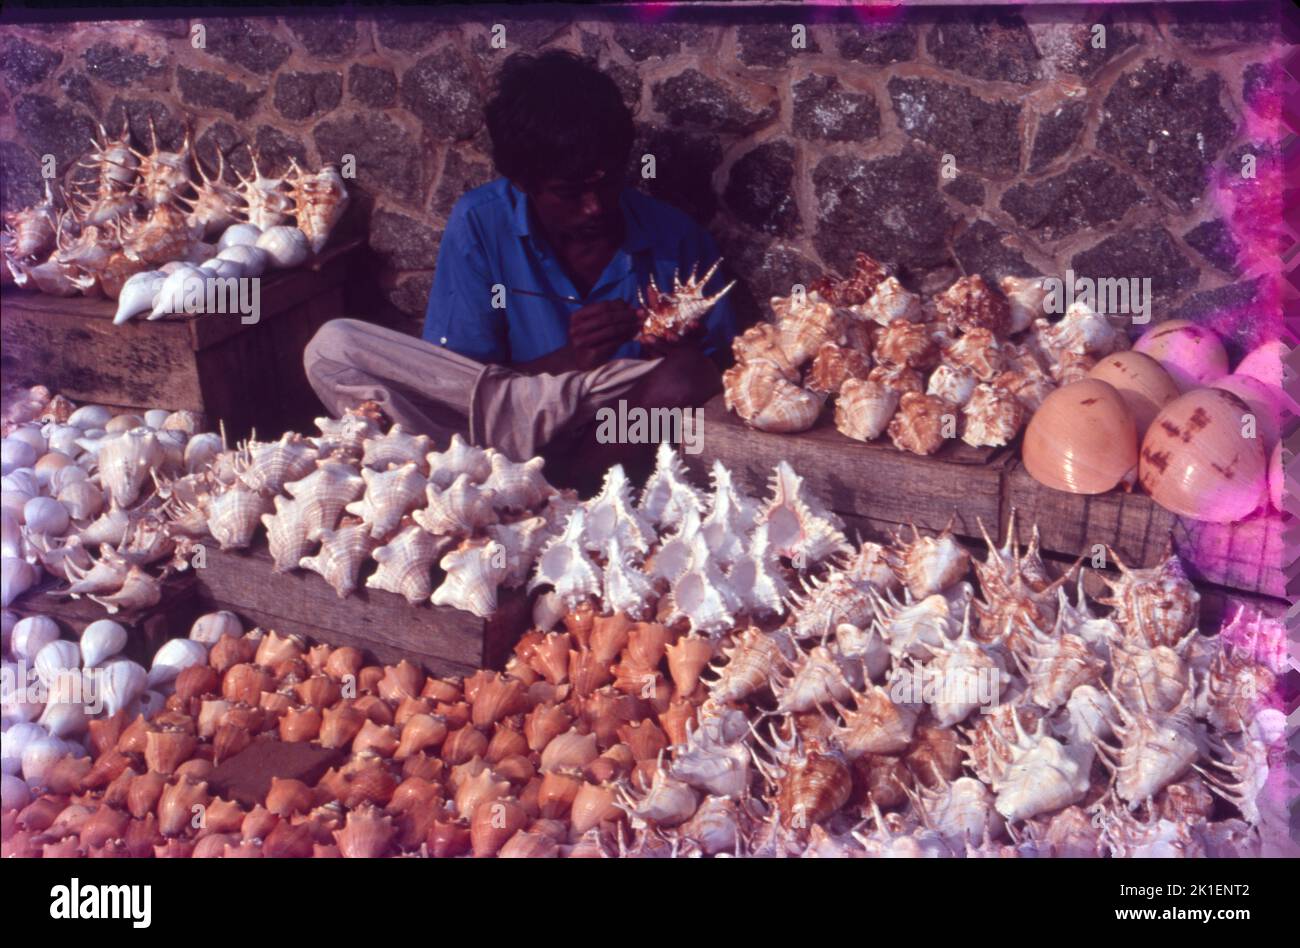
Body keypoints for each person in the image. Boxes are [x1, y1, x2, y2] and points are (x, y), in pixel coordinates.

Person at [304, 50, 737, 490]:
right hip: (506, 417)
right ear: (523, 183)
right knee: (333, 345)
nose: (595, 207)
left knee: (687, 378)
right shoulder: (481, 222)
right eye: (569, 193)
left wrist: (675, 351)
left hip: (616, 427)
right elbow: (459, 382)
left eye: (606, 184)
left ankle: (552, 490)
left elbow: (718, 383)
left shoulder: (676, 239)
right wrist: (573, 359)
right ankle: (490, 476)